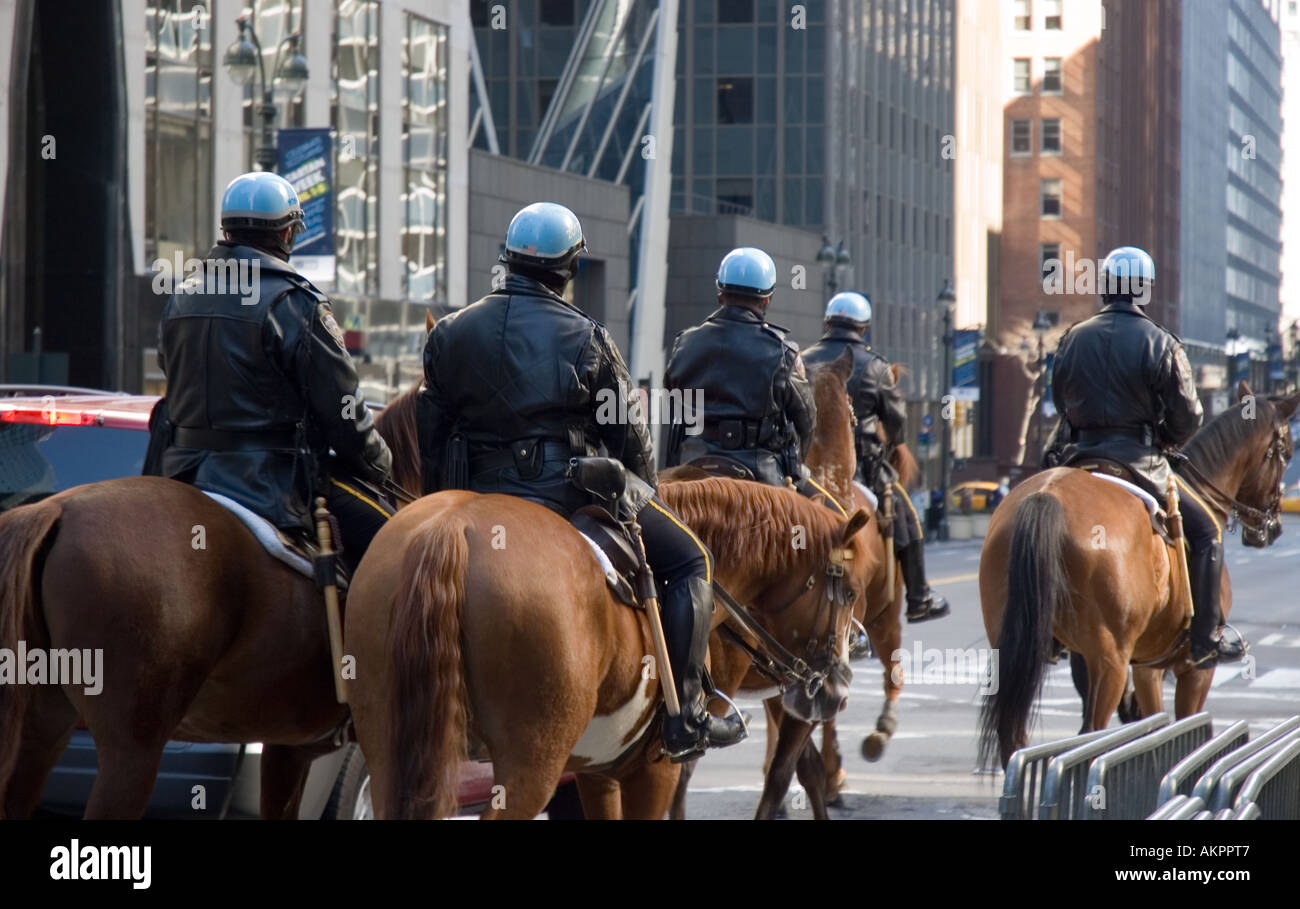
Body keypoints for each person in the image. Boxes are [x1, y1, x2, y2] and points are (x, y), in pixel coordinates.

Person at [417, 202, 746, 761]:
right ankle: (686, 715)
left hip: (469, 495)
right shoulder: (587, 336)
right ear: (568, 269)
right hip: (561, 493)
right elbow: (630, 441)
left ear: (508, 261)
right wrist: (644, 492)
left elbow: (430, 428)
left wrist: (435, 502)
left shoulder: (450, 332)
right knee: (691, 560)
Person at [152, 171, 393, 575]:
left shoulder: (182, 295)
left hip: (182, 472)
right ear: (286, 236)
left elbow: (169, 369)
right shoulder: (297, 302)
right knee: (399, 547)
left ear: (226, 230)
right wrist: (381, 464)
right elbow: (344, 411)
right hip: (270, 481)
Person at [1046, 246, 1244, 666]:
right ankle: (1206, 638)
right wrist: (1166, 440)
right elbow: (1189, 416)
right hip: (1139, 462)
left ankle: (1047, 630)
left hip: (1077, 457)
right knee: (1207, 533)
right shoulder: (1162, 343)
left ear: (1104, 287)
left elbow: (1059, 400)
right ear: (1143, 289)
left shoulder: (1071, 339)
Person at [801, 292, 950, 623]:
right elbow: (896, 425)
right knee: (907, 516)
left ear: (827, 324)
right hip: (863, 469)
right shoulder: (877, 367)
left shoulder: (803, 359)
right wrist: (890, 444)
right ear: (863, 329)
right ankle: (919, 596)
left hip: (808, 472)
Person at [663, 248, 828, 504]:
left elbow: (672, 403)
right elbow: (806, 419)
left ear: (720, 294)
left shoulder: (685, 342)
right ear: (766, 300)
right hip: (763, 473)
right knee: (822, 526)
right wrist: (796, 469)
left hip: (691, 462)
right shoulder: (782, 351)